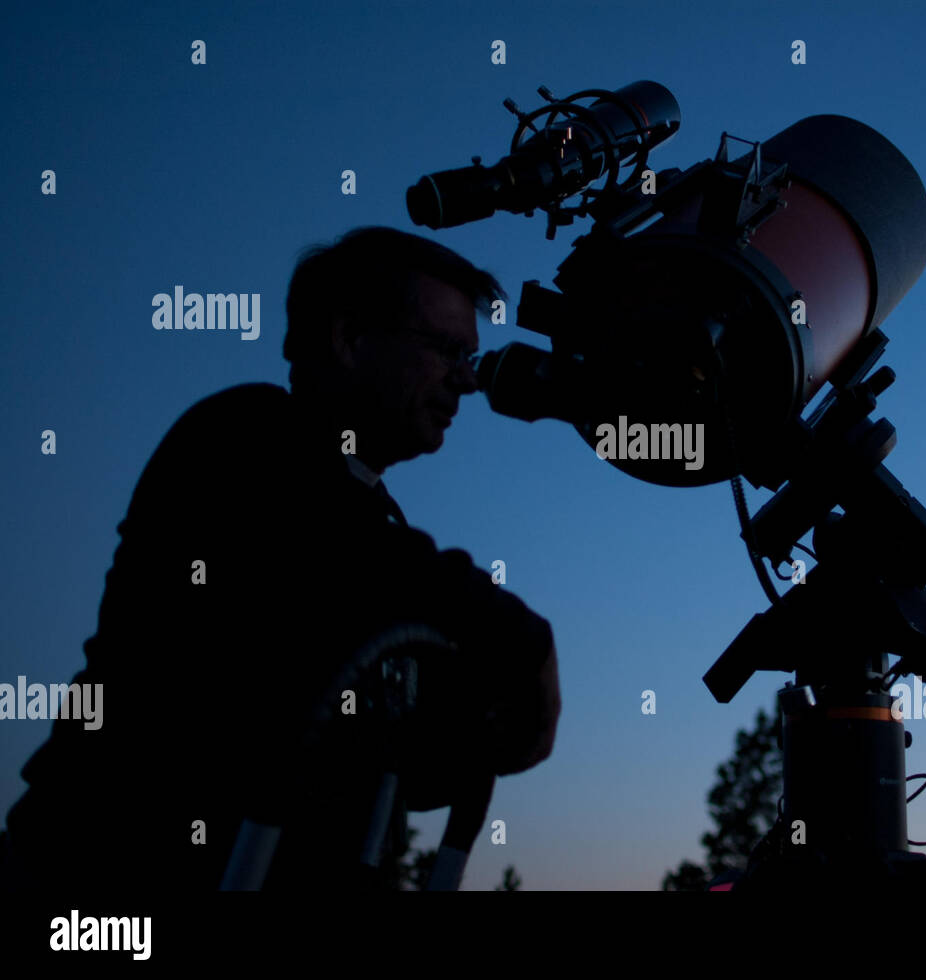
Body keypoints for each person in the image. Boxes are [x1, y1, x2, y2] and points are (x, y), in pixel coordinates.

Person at [0, 226, 560, 891]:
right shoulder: (241, 439)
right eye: (446, 350)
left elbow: (388, 749)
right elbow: (353, 561)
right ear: (350, 338)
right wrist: (526, 642)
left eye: (471, 356)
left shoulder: (368, 512)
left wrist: (476, 734)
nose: (467, 381)